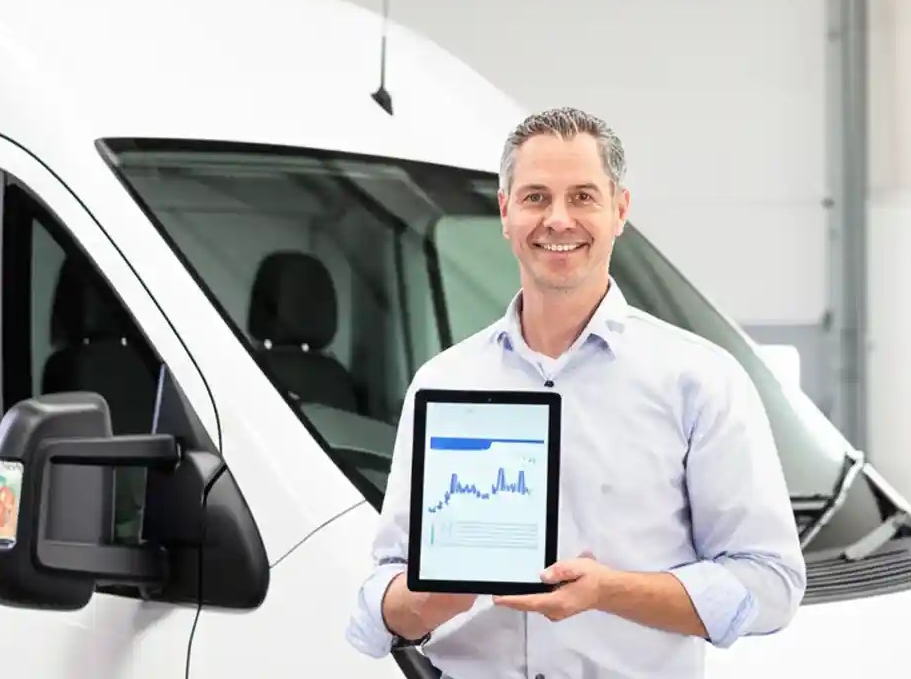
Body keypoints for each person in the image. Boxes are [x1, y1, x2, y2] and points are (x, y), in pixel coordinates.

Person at [345, 106, 806, 678]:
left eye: (583, 197)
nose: (558, 219)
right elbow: (377, 603)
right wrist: (433, 599)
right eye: (536, 197)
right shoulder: (444, 382)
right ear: (505, 212)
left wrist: (608, 591)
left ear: (619, 210)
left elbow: (772, 584)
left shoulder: (700, 380)